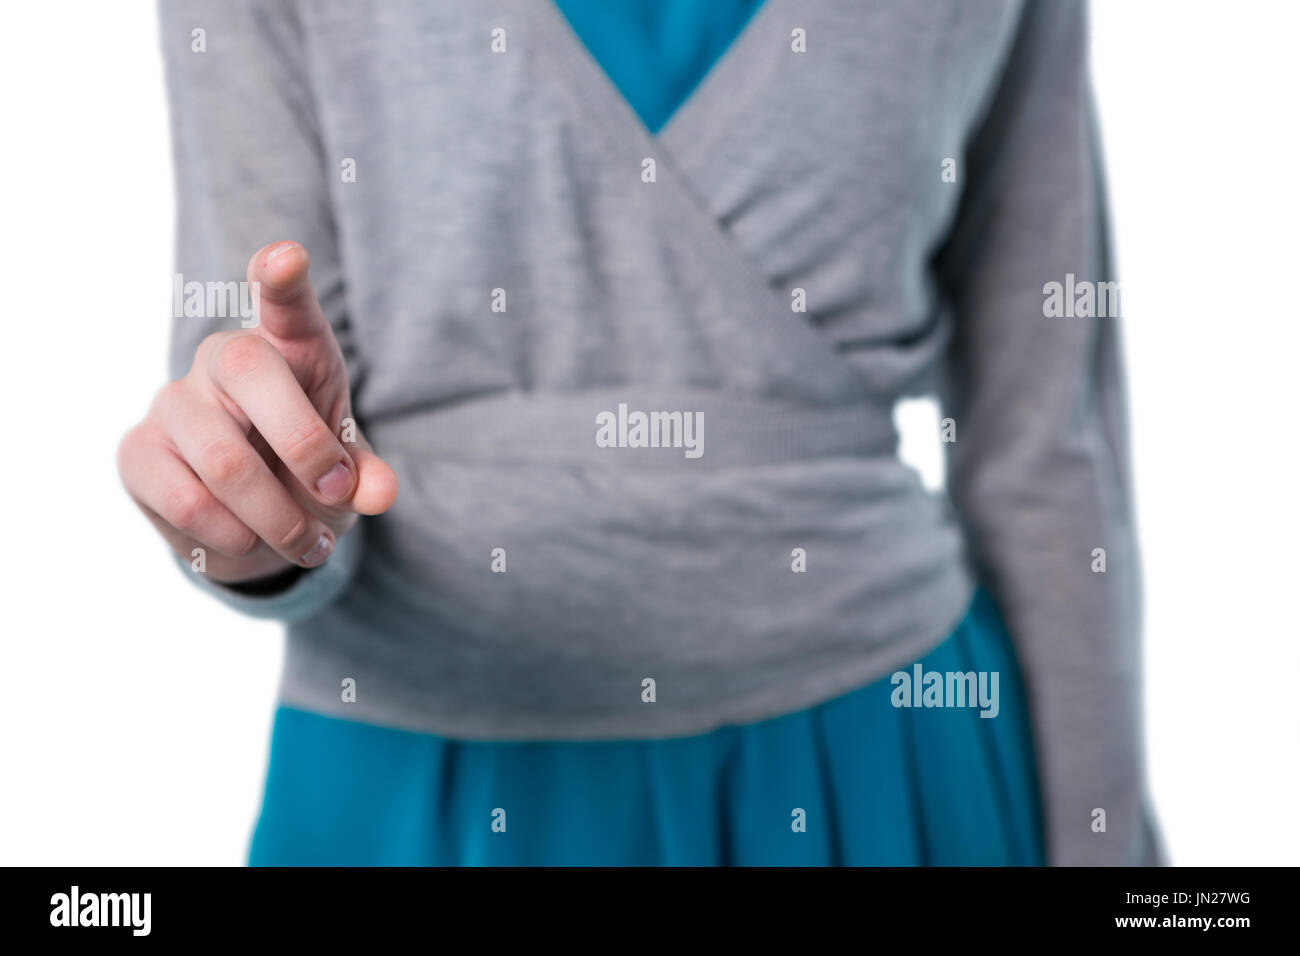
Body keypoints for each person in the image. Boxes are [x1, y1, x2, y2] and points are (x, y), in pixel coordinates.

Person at [118, 0, 1162, 865]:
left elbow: (1046, 453)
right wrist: (255, 508)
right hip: (413, 781)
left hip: (887, 767)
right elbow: (268, 437)